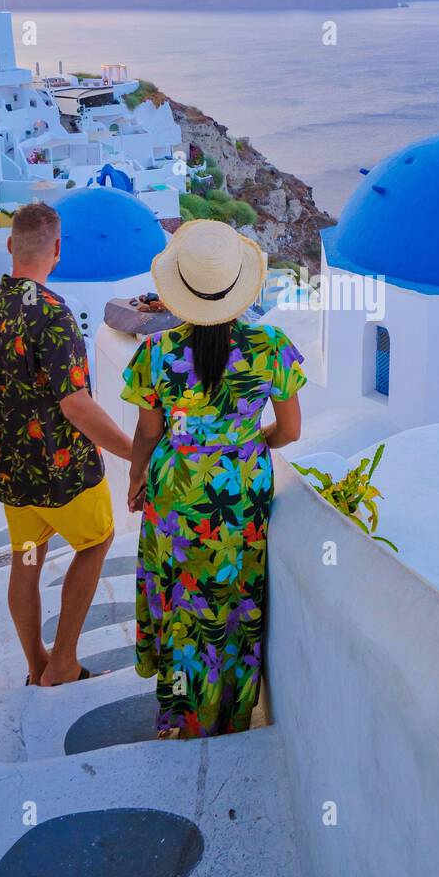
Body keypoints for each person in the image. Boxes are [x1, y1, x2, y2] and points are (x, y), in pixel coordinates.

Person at [121, 219, 305, 739]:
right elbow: (290, 431)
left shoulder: (156, 354)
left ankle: (179, 714)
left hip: (175, 490)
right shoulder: (271, 345)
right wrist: (246, 445)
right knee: (235, 603)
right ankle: (230, 714)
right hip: (240, 495)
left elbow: (146, 433)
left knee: (183, 602)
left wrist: (136, 478)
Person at [0, 201, 134, 686]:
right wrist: (133, 451)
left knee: (27, 558)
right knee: (97, 540)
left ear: (9, 246)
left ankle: (35, 663)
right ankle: (62, 663)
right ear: (57, 250)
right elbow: (76, 405)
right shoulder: (53, 313)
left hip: (10, 472)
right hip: (64, 475)